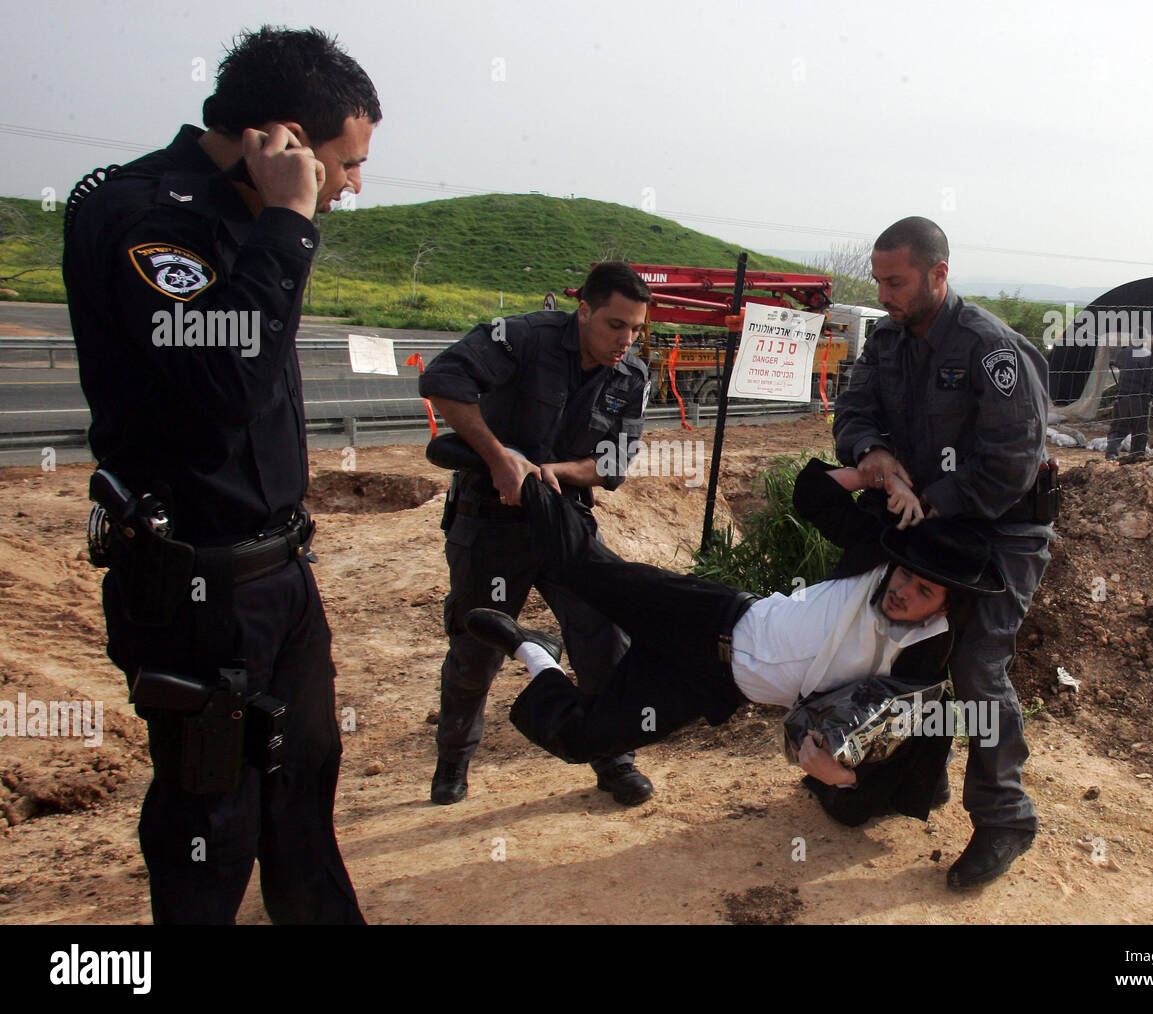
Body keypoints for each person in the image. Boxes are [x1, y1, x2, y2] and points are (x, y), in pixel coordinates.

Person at [62, 26, 378, 924]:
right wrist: (286, 222)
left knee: (305, 802)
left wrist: (278, 222)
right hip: (194, 586)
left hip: (280, 575)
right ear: (281, 142)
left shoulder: (250, 218)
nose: (353, 185)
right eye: (344, 163)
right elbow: (221, 383)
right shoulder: (145, 216)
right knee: (211, 828)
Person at [464, 458, 1003, 823]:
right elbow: (813, 494)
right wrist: (867, 474)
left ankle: (532, 651)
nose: (903, 590)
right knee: (581, 566)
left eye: (923, 589)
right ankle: (521, 473)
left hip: (707, 681)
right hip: (705, 612)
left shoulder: (927, 654)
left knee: (584, 740)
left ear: (947, 606)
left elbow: (894, 727)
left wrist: (838, 775)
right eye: (906, 575)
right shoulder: (878, 558)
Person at [833, 216, 1053, 889]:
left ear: (938, 274)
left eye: (896, 281)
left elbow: (1010, 464)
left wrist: (927, 500)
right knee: (880, 640)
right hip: (921, 514)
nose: (886, 294)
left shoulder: (992, 349)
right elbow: (853, 411)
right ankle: (889, 783)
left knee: (977, 667)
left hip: (1001, 527)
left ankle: (1005, 820)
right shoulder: (889, 341)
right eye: (879, 281)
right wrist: (872, 455)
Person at [419, 262, 657, 806]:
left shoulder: (632, 378)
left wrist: (553, 473)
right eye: (614, 325)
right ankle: (453, 759)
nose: (625, 340)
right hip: (490, 523)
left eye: (636, 329)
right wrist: (499, 458)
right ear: (584, 311)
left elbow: (614, 464)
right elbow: (442, 381)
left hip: (564, 521)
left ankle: (613, 755)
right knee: (476, 646)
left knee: (603, 635)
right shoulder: (522, 337)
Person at [1106, 338, 1153, 459]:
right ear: (1145, 341)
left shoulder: (1123, 353)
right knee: (1140, 433)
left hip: (1122, 399)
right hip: (1141, 401)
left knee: (1117, 430)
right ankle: (1135, 459)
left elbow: (1117, 362)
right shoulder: (1151, 357)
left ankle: (1111, 457)